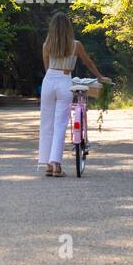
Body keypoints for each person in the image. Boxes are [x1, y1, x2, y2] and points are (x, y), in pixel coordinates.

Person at [39, 12, 109, 178]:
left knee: (47, 124)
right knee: (60, 125)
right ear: (68, 28)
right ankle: (56, 165)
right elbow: (88, 62)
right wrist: (99, 76)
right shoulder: (76, 45)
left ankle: (48, 164)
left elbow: (47, 67)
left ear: (52, 28)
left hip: (48, 81)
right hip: (65, 80)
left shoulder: (46, 45)